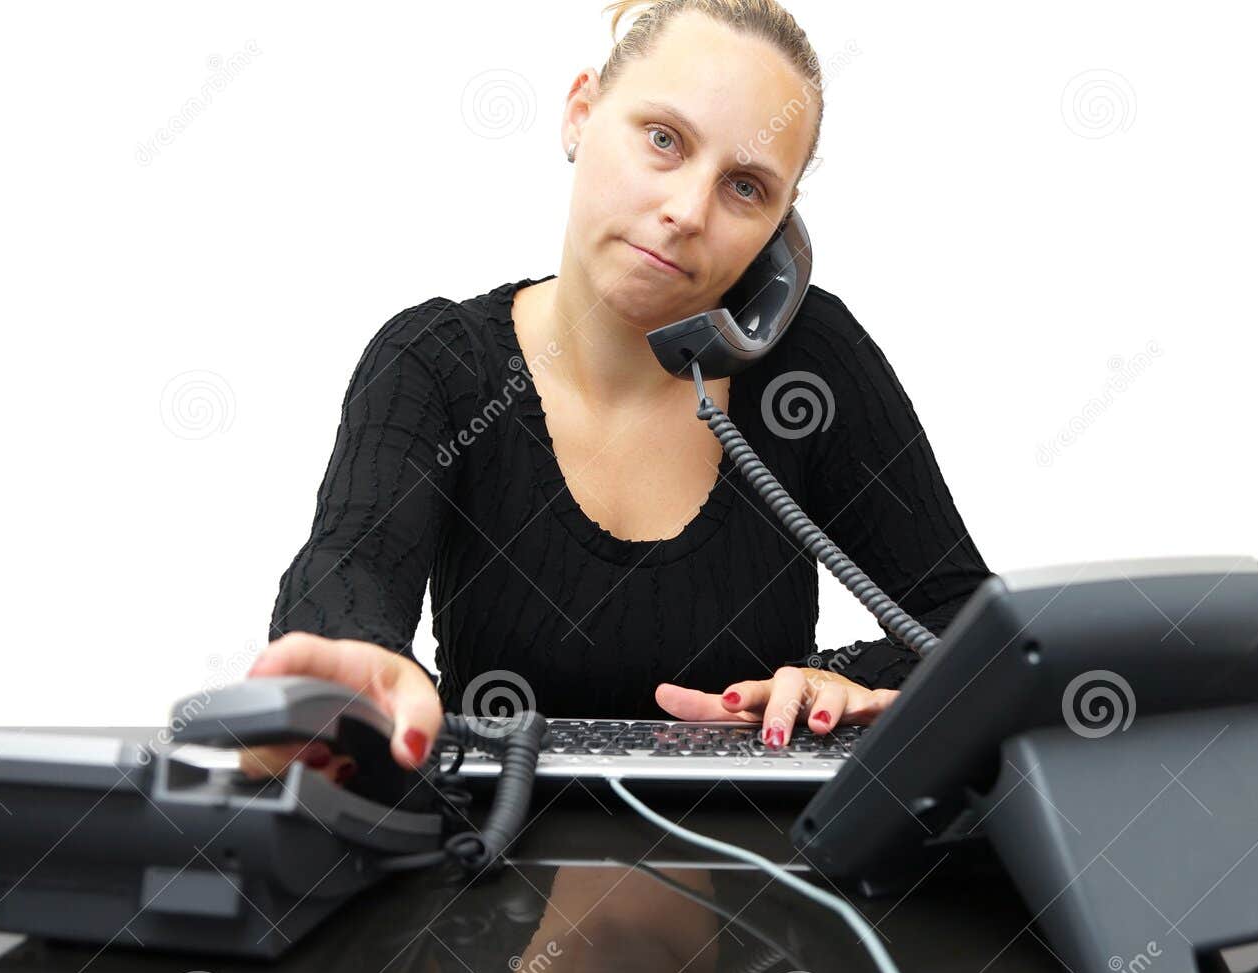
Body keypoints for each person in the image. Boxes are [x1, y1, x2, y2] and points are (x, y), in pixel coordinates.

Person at [242, 0, 992, 783]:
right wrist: (359, 663)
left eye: (745, 187)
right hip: (492, 865)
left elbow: (970, 627)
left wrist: (846, 679)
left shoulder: (810, 362)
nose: (686, 212)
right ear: (581, 114)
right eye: (664, 140)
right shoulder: (437, 362)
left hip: (761, 868)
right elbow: (349, 571)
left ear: (780, 236)